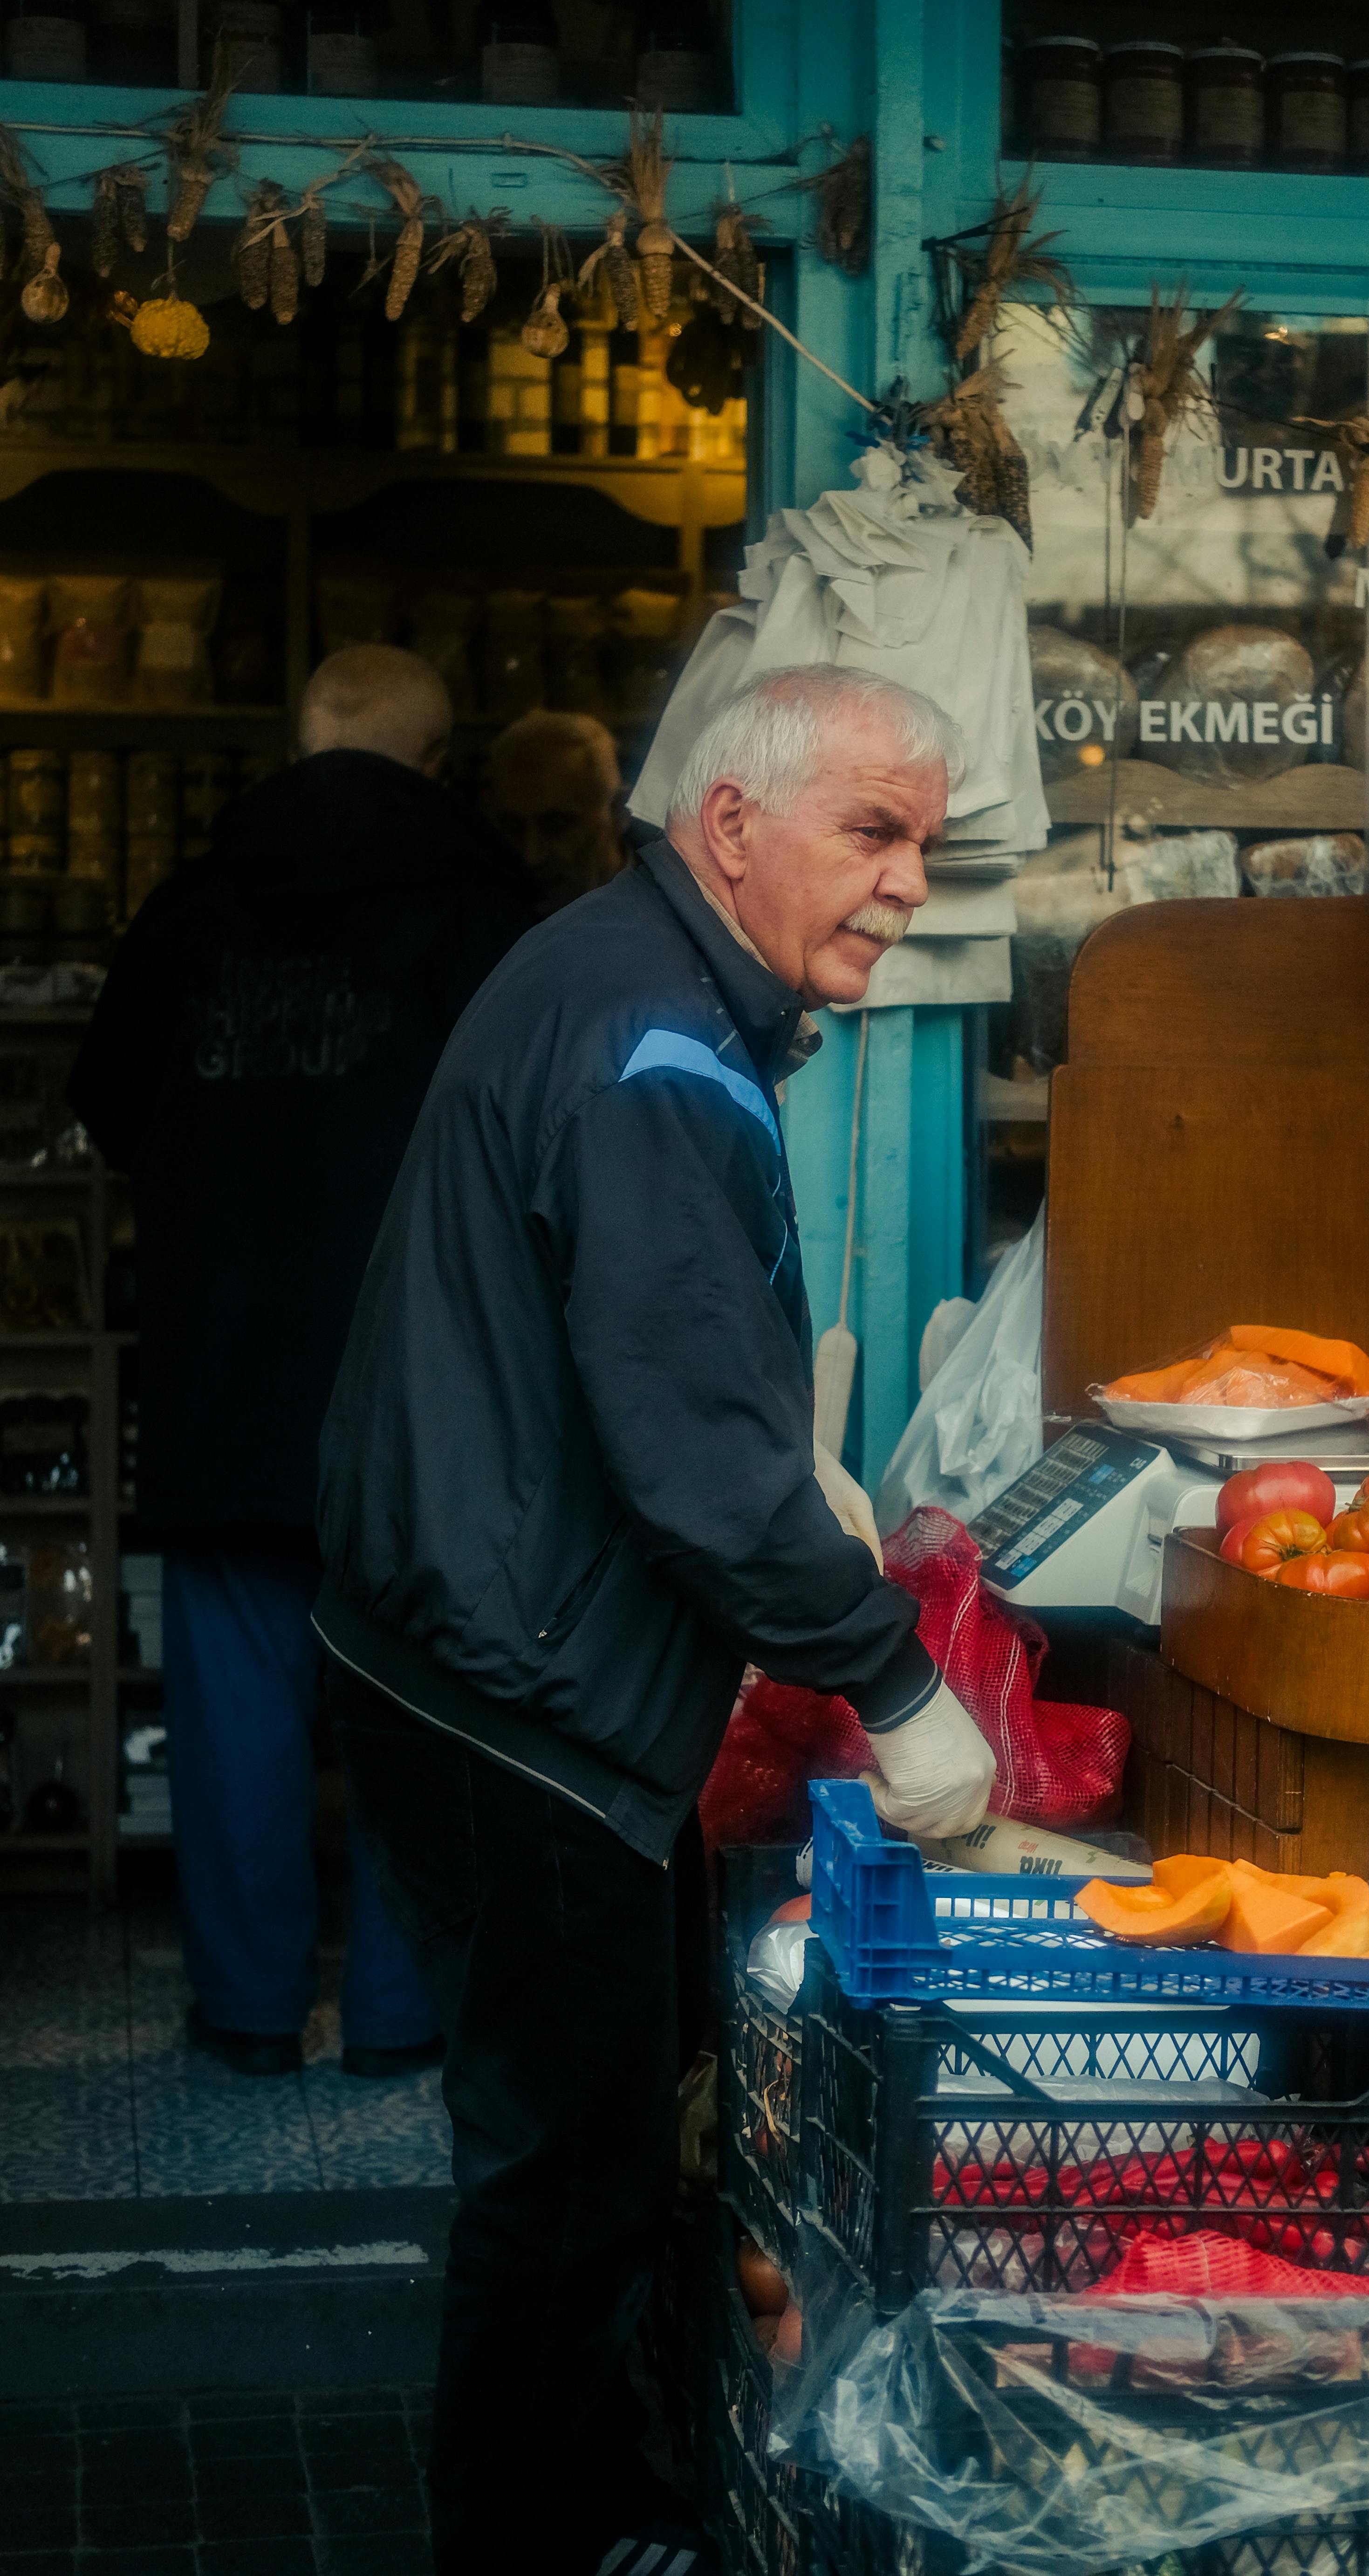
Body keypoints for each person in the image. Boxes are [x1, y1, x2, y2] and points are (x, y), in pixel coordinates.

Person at [315, 662, 997, 2576]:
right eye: (871, 831)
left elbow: (656, 1374)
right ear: (731, 824)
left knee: (585, 2151)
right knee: (565, 2176)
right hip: (516, 1690)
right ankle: (532, 2539)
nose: (904, 880)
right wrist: (891, 1677)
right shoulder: (649, 1044)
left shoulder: (630, 978)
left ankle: (590, 2495)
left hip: (475, 1639)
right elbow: (694, 1449)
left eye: (924, 843)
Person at [68, 644, 537, 2079]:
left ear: (296, 745)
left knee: (231, 1711)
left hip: (221, 1376)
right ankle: (398, 2018)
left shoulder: (186, 911)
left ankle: (247, 2008)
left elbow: (107, 1107)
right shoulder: (486, 915)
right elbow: (543, 1141)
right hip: (421, 1393)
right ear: (438, 765)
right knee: (411, 1710)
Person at [482, 706, 626, 909]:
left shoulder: (666, 907)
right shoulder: (486, 915)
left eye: (557, 825)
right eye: (513, 828)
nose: (532, 857)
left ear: (619, 811)